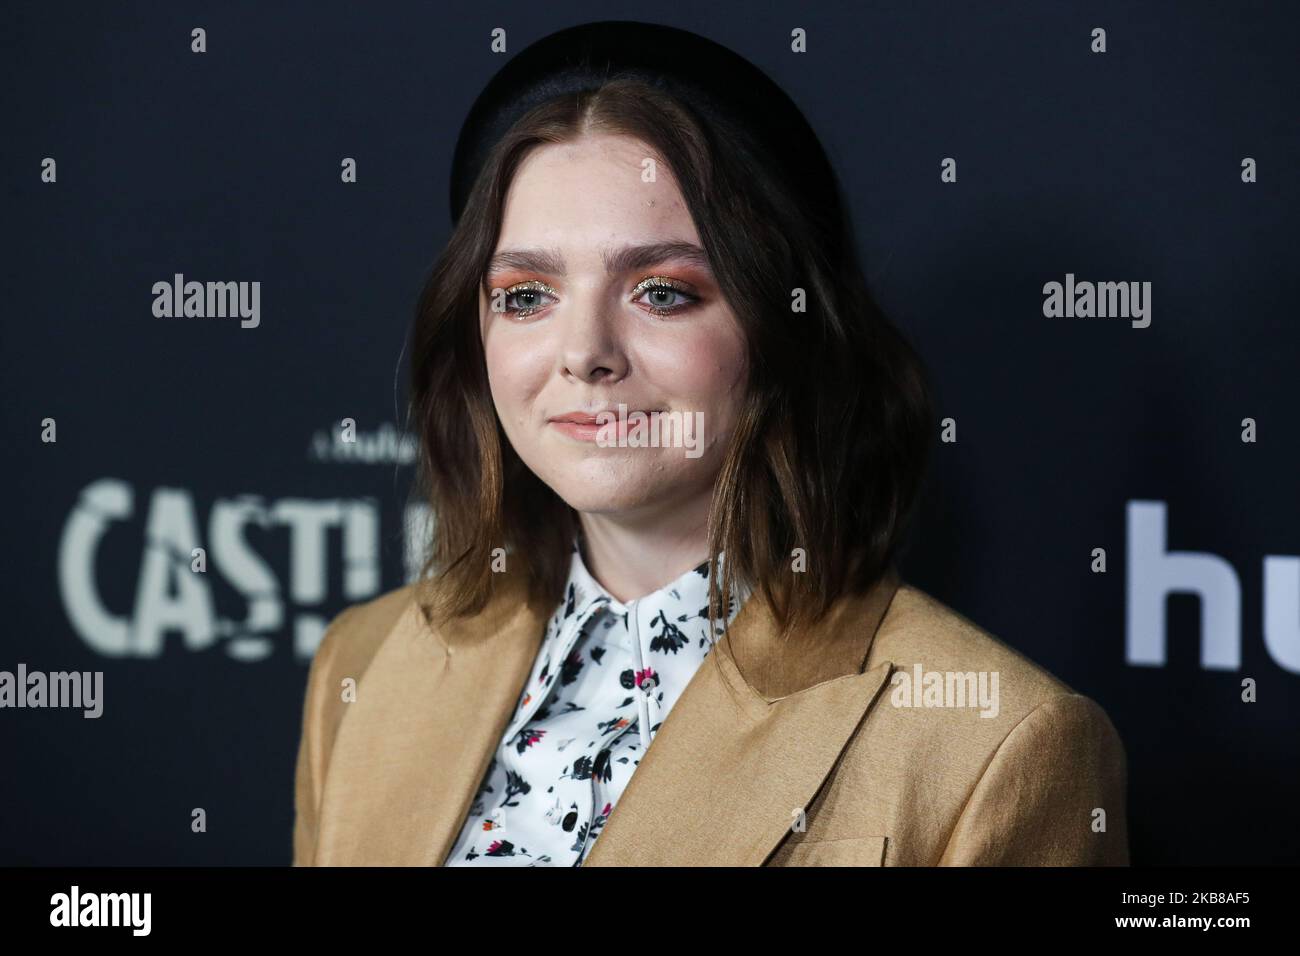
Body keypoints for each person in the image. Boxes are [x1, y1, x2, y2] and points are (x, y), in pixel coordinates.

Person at [292, 21, 1128, 867]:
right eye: (525, 295)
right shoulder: (364, 663)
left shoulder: (1000, 746)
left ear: (782, 328)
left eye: (661, 292)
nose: (585, 352)